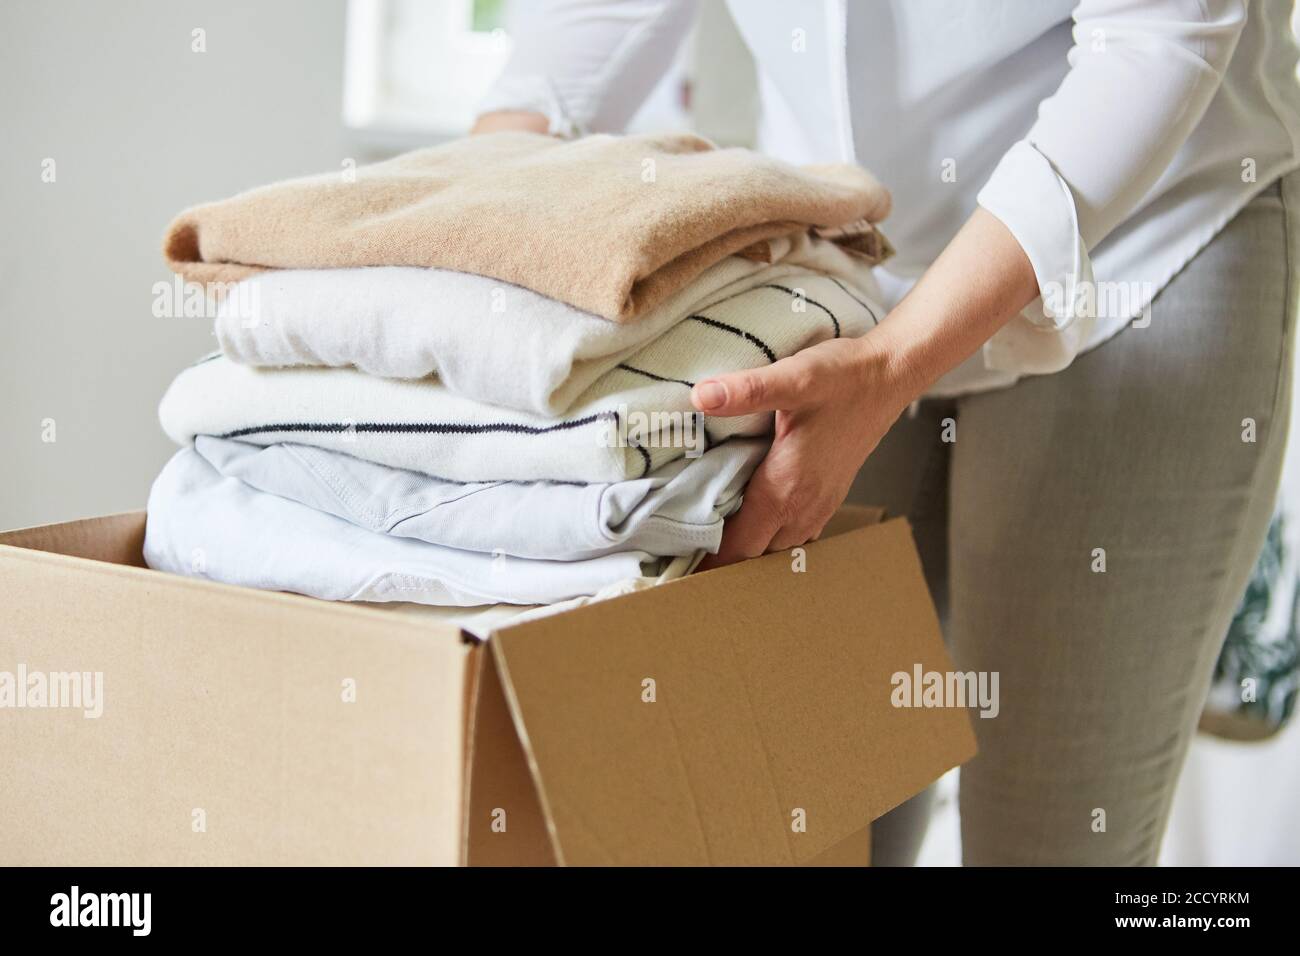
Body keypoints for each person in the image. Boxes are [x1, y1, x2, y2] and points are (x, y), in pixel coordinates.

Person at [473, 0, 1300, 865]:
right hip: (853, 264)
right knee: (824, 822)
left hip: (1139, 243)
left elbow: (1158, 36)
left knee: (1049, 838)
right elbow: (576, 51)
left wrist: (891, 368)